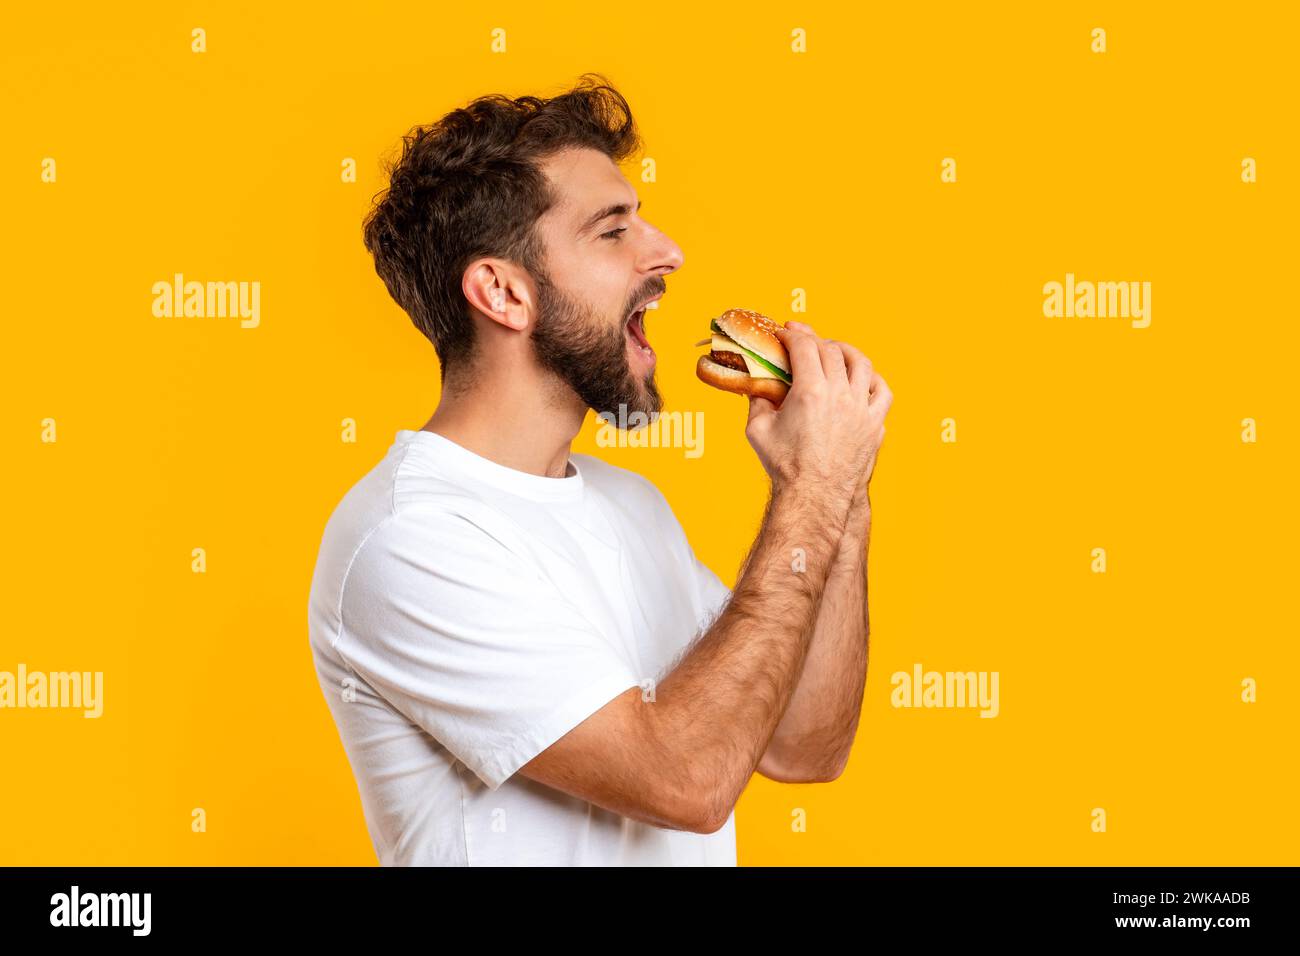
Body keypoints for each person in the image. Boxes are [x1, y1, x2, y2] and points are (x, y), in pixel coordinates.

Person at [307, 73, 892, 866]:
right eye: (613, 231)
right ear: (505, 293)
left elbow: (804, 746)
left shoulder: (630, 505)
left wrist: (840, 495)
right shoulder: (410, 538)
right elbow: (687, 780)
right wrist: (813, 490)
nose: (667, 253)